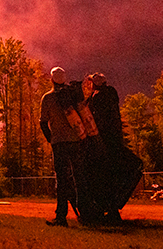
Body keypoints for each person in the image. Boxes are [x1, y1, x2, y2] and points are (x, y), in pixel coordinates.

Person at [86, 72, 143, 225]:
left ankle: (106, 208)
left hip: (104, 142)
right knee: (119, 173)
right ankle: (114, 207)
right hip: (116, 142)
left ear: (95, 84)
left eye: (92, 82)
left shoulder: (97, 97)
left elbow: (96, 120)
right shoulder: (112, 94)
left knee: (103, 176)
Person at [39, 67, 85, 227]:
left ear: (51, 80)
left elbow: (43, 122)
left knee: (62, 180)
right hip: (75, 141)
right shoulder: (73, 95)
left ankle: (61, 216)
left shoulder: (48, 98)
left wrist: (50, 139)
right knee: (79, 178)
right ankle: (85, 213)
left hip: (59, 143)